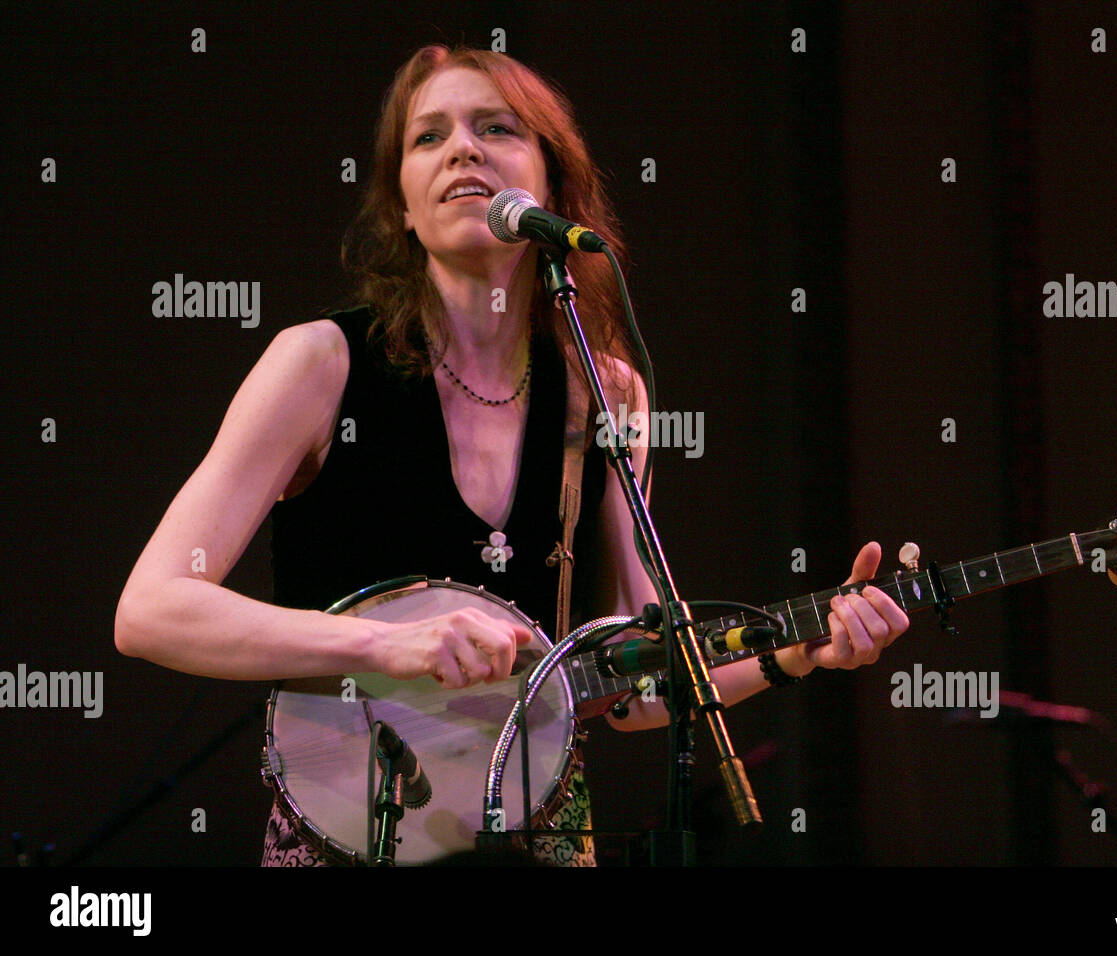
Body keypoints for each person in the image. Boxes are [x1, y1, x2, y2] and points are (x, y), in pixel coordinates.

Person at [113, 44, 910, 866]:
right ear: (403, 206)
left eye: (495, 128)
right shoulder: (319, 364)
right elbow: (151, 609)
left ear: (552, 185)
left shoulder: (608, 396)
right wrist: (387, 648)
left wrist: (800, 650)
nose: (463, 148)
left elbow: (638, 686)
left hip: (536, 833)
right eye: (429, 137)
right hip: (352, 832)